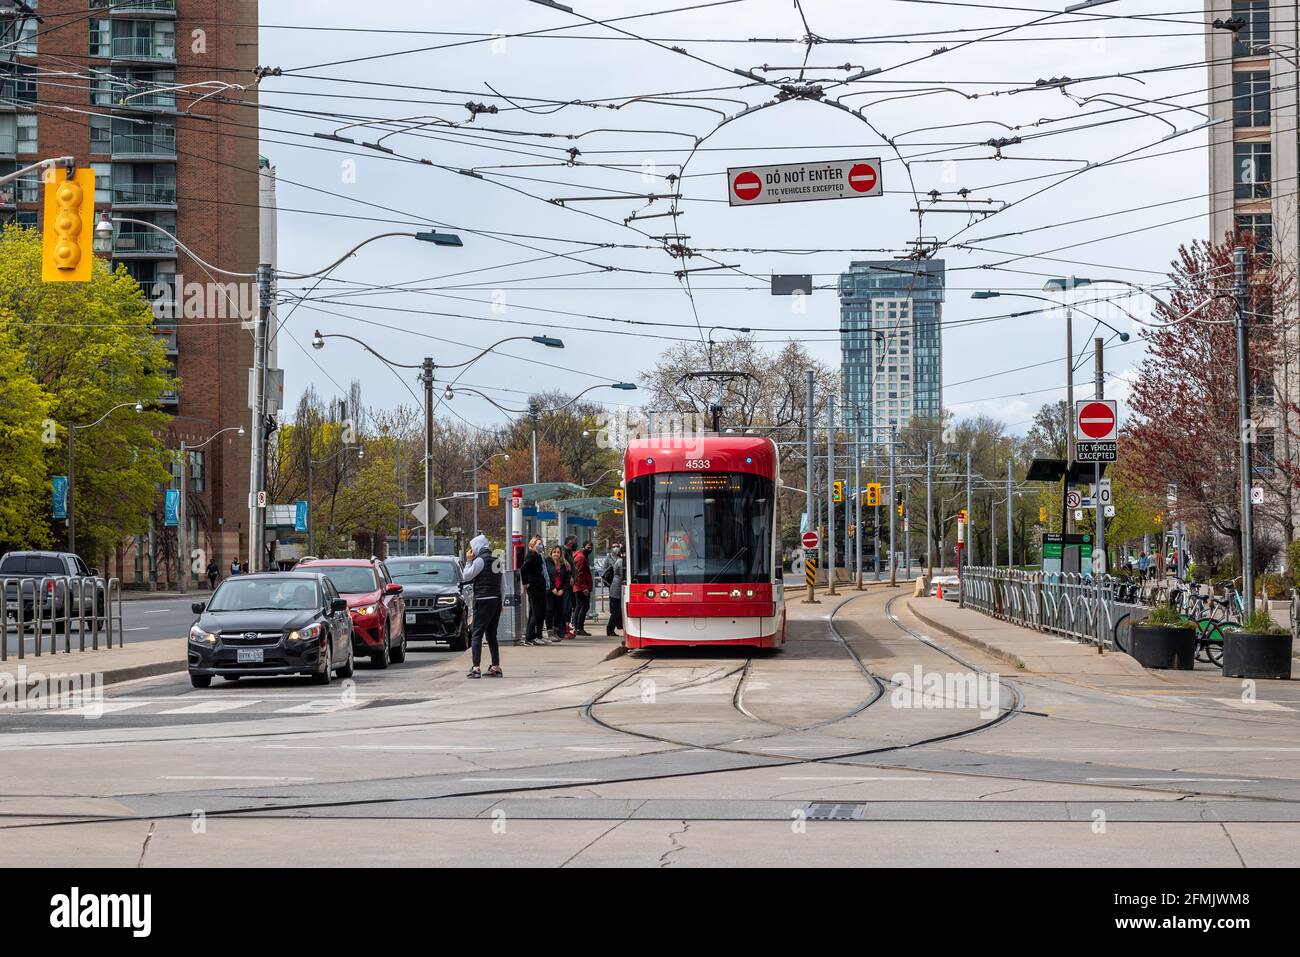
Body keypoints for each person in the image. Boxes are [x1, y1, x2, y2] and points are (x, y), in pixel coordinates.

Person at [461, 533, 503, 678]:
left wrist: (468, 561)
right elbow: (501, 583)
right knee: (492, 634)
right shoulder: (496, 560)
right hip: (496, 600)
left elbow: (466, 576)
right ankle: (496, 666)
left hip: (483, 599)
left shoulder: (479, 561)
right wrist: (501, 601)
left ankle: (476, 667)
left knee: (477, 633)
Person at [520, 536, 550, 646]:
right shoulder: (532, 555)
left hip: (539, 586)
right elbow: (523, 568)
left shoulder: (537, 556)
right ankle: (530, 637)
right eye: (538, 543)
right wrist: (525, 582)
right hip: (534, 587)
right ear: (532, 545)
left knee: (538, 612)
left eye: (541, 543)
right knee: (536, 613)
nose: (540, 545)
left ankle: (536, 636)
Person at [546, 544, 570, 640]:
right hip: (550, 591)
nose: (556, 554)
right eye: (554, 552)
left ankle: (556, 630)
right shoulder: (547, 563)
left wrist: (562, 589)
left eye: (558, 552)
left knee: (560, 611)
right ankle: (550, 631)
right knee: (549, 611)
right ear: (551, 553)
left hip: (560, 591)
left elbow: (567, 580)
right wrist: (552, 588)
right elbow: (546, 577)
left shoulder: (564, 564)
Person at [571, 541, 594, 636]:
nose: (590, 549)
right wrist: (584, 587)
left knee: (580, 606)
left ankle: (577, 626)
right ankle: (578, 627)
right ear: (583, 547)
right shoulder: (581, 557)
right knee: (583, 606)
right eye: (588, 547)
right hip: (581, 587)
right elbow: (578, 573)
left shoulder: (582, 556)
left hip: (579, 586)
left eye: (591, 547)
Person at [604, 543, 625, 637]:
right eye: (614, 547)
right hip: (616, 588)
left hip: (615, 587)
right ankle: (610, 629)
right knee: (616, 610)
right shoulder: (620, 562)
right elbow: (621, 575)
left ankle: (613, 628)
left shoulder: (619, 560)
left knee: (616, 610)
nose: (616, 548)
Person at [561, 534, 579, 637]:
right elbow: (566, 567)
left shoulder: (569, 552)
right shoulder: (564, 552)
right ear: (569, 542)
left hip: (570, 584)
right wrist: (570, 576)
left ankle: (567, 628)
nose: (575, 544)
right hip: (566, 584)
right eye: (574, 542)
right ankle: (563, 629)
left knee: (569, 606)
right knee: (566, 607)